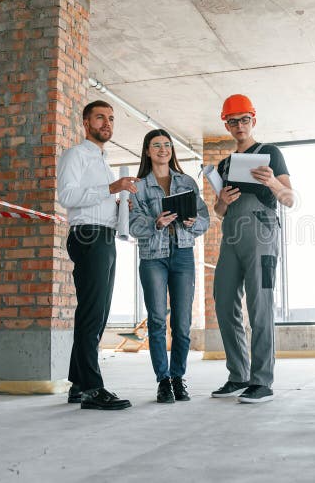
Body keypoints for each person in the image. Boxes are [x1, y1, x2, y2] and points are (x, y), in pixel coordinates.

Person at [210, 94, 293, 404]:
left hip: (262, 232)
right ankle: (239, 375)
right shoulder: (225, 164)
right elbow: (218, 211)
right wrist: (222, 202)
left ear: (253, 121)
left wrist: (271, 181)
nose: (239, 125)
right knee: (223, 301)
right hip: (231, 236)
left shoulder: (270, 153)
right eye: (233, 121)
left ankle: (262, 381)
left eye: (245, 119)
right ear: (227, 125)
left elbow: (289, 199)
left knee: (260, 305)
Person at [57, 100, 140, 410]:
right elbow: (66, 196)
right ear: (86, 122)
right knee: (92, 314)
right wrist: (111, 188)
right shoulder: (76, 155)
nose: (107, 123)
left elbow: (98, 198)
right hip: (88, 236)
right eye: (101, 117)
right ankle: (93, 388)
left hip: (105, 235)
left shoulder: (104, 162)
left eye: (111, 119)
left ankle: (78, 384)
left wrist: (120, 206)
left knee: (97, 313)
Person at [130, 129, 210, 403]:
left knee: (182, 322)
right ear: (147, 151)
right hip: (153, 256)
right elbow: (132, 224)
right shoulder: (139, 186)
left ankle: (178, 378)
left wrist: (192, 223)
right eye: (156, 145)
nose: (163, 149)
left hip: (184, 254)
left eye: (167, 145)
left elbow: (204, 219)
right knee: (155, 320)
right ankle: (163, 381)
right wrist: (156, 223)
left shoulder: (186, 181)